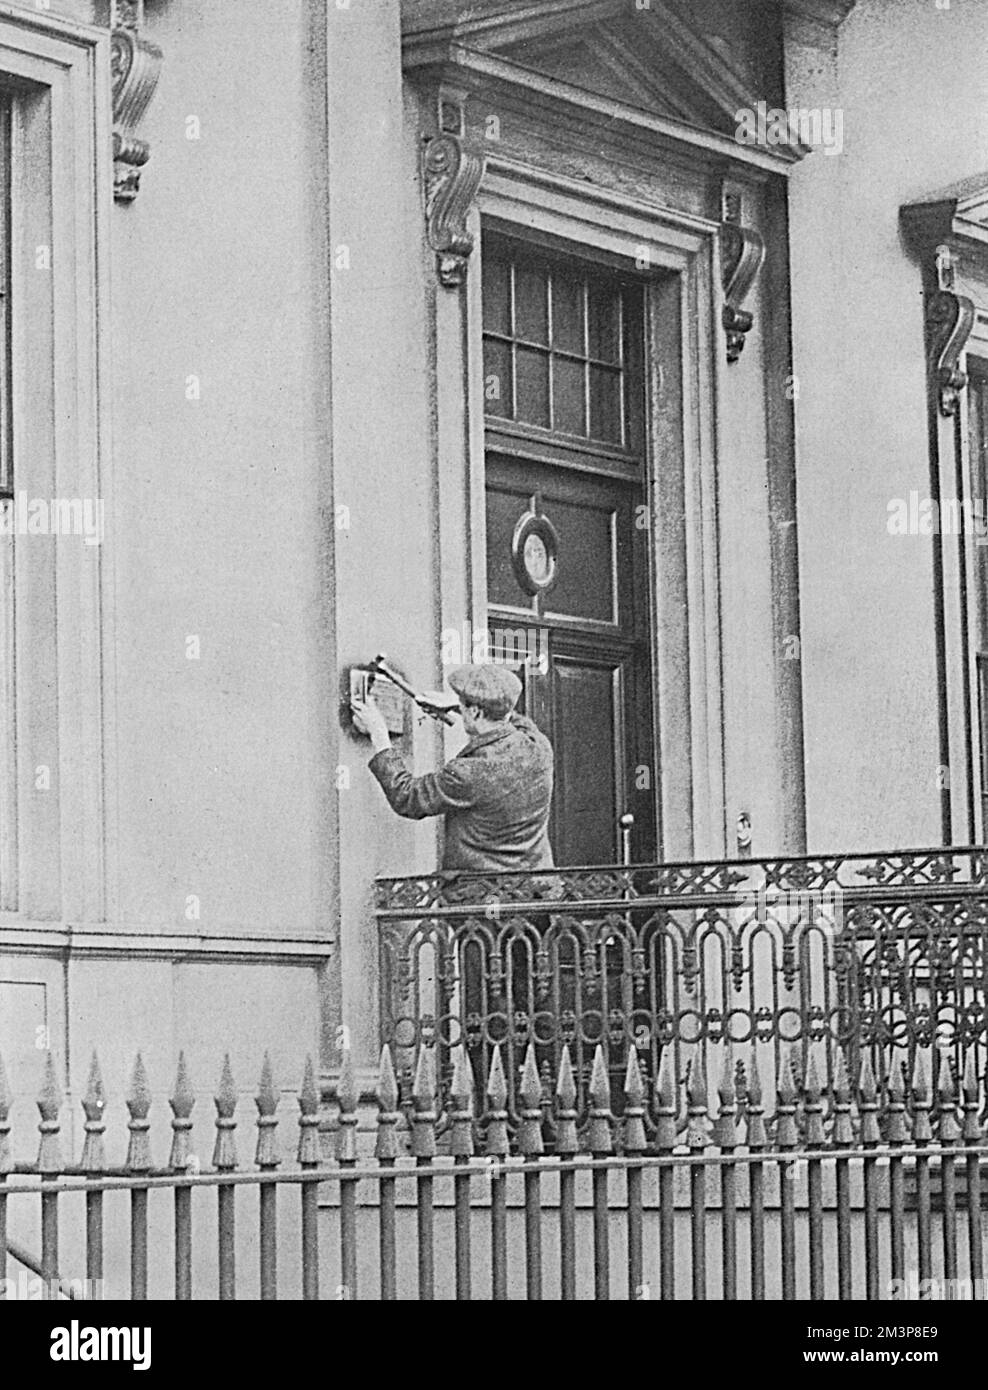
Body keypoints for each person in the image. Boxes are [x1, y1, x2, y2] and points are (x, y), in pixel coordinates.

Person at [351, 663, 554, 872]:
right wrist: (458, 705)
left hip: (482, 896)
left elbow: (407, 796)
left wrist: (379, 735)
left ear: (475, 711)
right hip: (535, 892)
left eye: (465, 706)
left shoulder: (469, 772)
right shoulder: (539, 746)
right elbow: (515, 718)